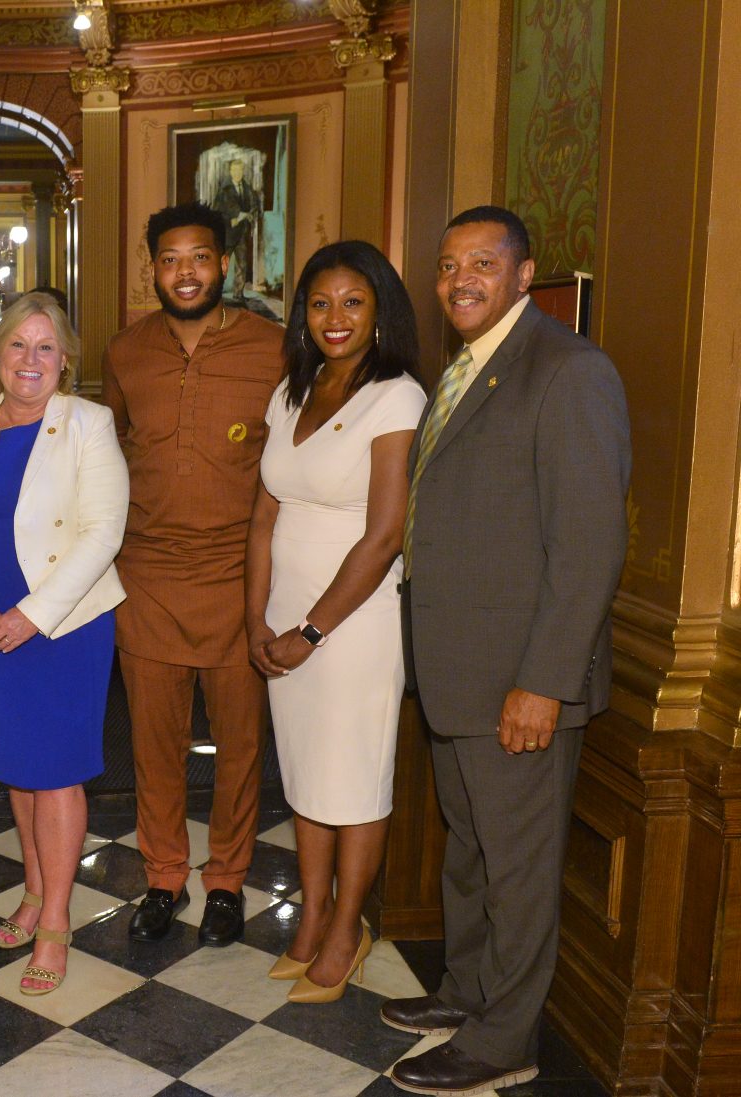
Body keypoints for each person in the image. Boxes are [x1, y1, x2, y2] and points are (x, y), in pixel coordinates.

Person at [386, 207, 629, 1096]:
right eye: (449, 266)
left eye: (483, 263)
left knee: (518, 869)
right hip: (456, 673)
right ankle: (466, 990)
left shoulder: (569, 372)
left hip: (520, 682)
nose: (461, 281)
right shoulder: (465, 370)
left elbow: (590, 546)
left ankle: (503, 1039)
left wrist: (543, 682)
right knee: (471, 849)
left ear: (525, 276)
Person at [0, 293, 127, 994]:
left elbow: (104, 532)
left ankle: (57, 920)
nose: (30, 360)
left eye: (46, 347)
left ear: (66, 358)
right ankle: (36, 887)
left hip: (63, 626)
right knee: (16, 764)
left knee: (59, 770)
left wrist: (31, 615)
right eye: (17, 345)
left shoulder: (88, 424)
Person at [244, 240, 425, 1003]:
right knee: (307, 776)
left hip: (351, 625)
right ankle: (311, 915)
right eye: (320, 303)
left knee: (353, 780)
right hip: (283, 618)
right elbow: (262, 519)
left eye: (353, 301)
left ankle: (349, 928)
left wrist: (309, 631)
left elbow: (384, 534)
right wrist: (256, 617)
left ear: (380, 308)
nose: (335, 317)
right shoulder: (292, 390)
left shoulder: (398, 396)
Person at [102, 201, 283, 947]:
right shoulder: (125, 352)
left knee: (241, 746)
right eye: (170, 259)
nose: (186, 271)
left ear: (226, 266)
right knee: (155, 743)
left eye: (200, 257)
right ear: (152, 269)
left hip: (241, 580)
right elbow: (113, 452)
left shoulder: (274, 348)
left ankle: (228, 881)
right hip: (145, 578)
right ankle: (164, 876)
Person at [217, 158, 261, 301]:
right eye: (235, 170)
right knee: (221, 264)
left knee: (242, 263)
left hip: (241, 233)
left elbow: (254, 205)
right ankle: (214, 295)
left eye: (240, 170)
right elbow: (219, 210)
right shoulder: (225, 190)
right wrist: (235, 216)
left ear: (243, 171)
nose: (237, 173)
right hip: (228, 233)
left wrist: (249, 214)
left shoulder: (247, 188)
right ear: (230, 172)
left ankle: (238, 294)